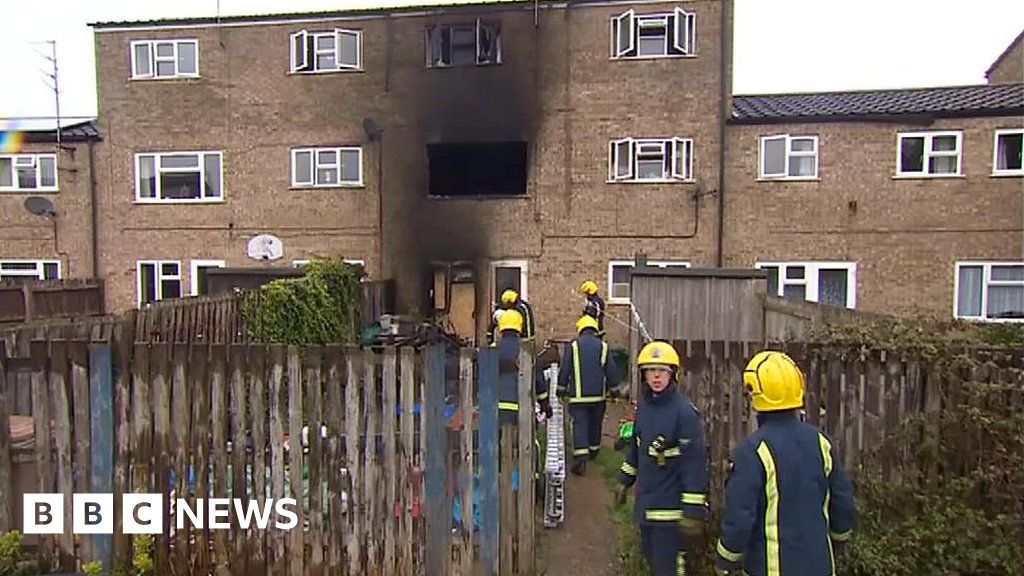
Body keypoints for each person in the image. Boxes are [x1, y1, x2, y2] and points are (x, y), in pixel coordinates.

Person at [714, 351, 855, 576]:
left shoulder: (754, 450)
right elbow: (843, 501)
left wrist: (725, 559)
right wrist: (839, 539)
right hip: (820, 566)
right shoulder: (822, 442)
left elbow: (740, 515)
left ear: (755, 395)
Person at [615, 340, 709, 576]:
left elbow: (694, 464)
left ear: (672, 375)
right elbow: (638, 449)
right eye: (651, 371)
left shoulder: (684, 413)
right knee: (654, 565)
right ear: (644, 375)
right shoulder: (645, 407)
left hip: (671, 515)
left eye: (662, 371)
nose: (656, 377)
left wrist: (692, 511)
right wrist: (624, 480)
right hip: (647, 509)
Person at [557, 315, 619, 475]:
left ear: (580, 329)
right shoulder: (603, 346)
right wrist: (614, 388)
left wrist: (561, 388)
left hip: (578, 397)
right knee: (595, 424)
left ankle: (581, 458)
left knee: (579, 424)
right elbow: (611, 370)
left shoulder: (574, 345)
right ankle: (593, 451)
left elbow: (566, 368)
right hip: (598, 397)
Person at [494, 309, 551, 426]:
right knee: (523, 442)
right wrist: (545, 405)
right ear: (519, 327)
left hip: (495, 409)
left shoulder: (493, 349)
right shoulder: (527, 350)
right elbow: (539, 381)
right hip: (522, 409)